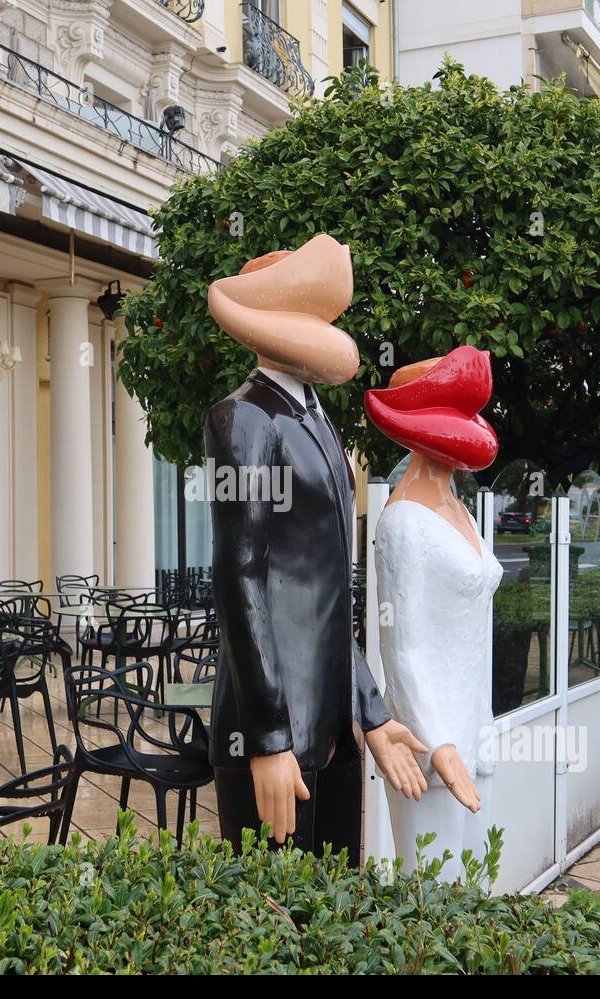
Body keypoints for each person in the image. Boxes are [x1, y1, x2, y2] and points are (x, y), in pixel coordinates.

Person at [205, 234, 428, 864]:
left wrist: (372, 711)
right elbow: (239, 578)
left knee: (335, 916)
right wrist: (267, 740)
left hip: (335, 727)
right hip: (272, 732)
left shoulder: (318, 421)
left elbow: (330, 596)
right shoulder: (242, 419)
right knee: (272, 928)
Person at [366, 346, 503, 880]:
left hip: (475, 731)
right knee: (434, 902)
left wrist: (473, 735)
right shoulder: (402, 523)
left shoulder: (458, 507)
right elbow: (402, 648)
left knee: (479, 893)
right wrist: (439, 741)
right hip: (431, 745)